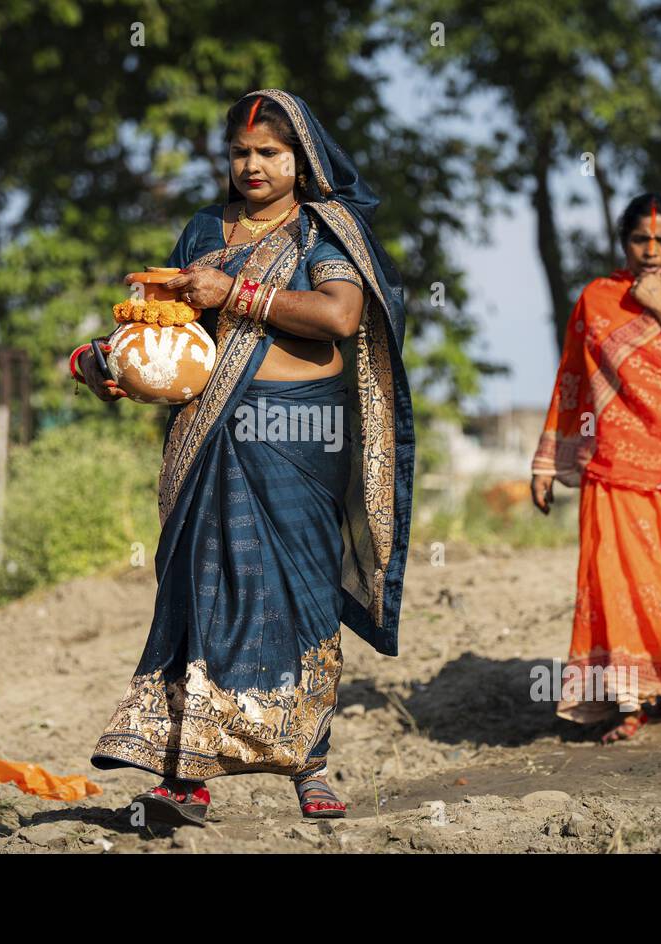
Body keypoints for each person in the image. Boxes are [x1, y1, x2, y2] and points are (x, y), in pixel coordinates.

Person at [78, 89, 414, 824]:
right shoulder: (204, 228)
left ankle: (309, 763)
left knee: (300, 591)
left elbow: (338, 315)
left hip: (298, 438)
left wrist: (236, 291)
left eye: (269, 152)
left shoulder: (325, 230)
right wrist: (107, 363)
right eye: (240, 152)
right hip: (205, 437)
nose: (252, 164)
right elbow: (168, 319)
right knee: (200, 591)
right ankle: (184, 776)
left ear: (302, 160)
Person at [531, 194, 661, 743]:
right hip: (613, 460)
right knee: (621, 581)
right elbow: (571, 378)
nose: (650, 250)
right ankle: (632, 697)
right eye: (640, 240)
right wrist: (547, 460)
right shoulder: (597, 298)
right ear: (624, 243)